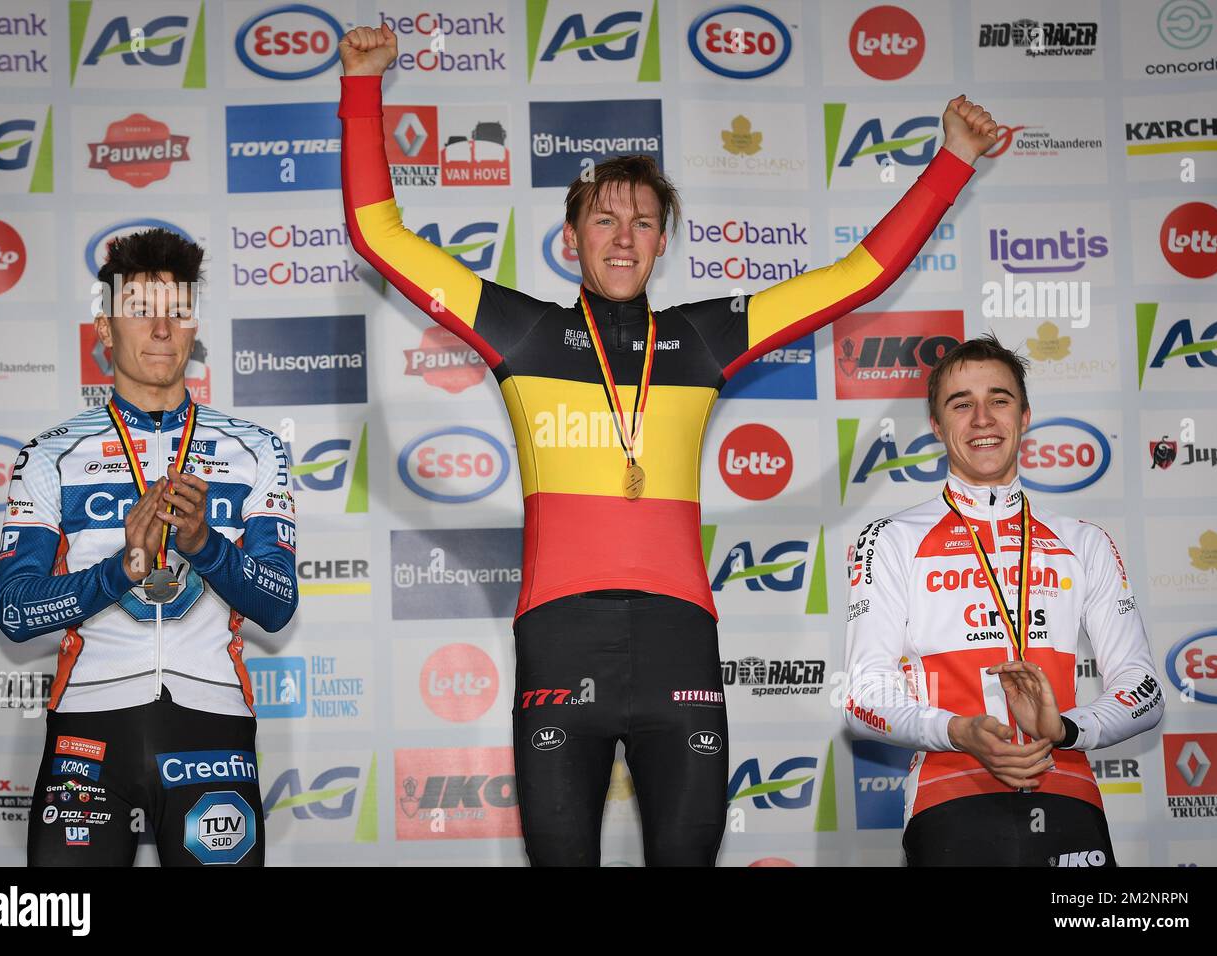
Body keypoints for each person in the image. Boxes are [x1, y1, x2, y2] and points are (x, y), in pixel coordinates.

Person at [338, 23, 998, 866]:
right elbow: (379, 235)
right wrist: (363, 87)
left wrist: (951, 159)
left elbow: (858, 276)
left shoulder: (700, 339)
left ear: (662, 242)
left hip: (679, 644)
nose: (623, 237)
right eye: (604, 219)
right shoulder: (524, 332)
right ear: (570, 238)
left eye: (645, 223)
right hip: (558, 641)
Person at [0, 228, 298, 866]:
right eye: (139, 311)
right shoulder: (49, 455)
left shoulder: (257, 450)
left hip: (210, 722)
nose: (160, 329)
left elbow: (277, 606)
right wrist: (122, 570)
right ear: (105, 330)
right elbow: (16, 613)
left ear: (193, 330)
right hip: (88, 727)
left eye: (177, 312)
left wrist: (204, 544)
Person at [843, 334, 1164, 866]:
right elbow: (861, 699)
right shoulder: (892, 539)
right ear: (938, 426)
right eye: (961, 404)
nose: (982, 418)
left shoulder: (1083, 540)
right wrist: (957, 731)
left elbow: (1145, 689)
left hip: (1067, 791)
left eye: (999, 399)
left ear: (1026, 416)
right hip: (949, 793)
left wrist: (1066, 729)